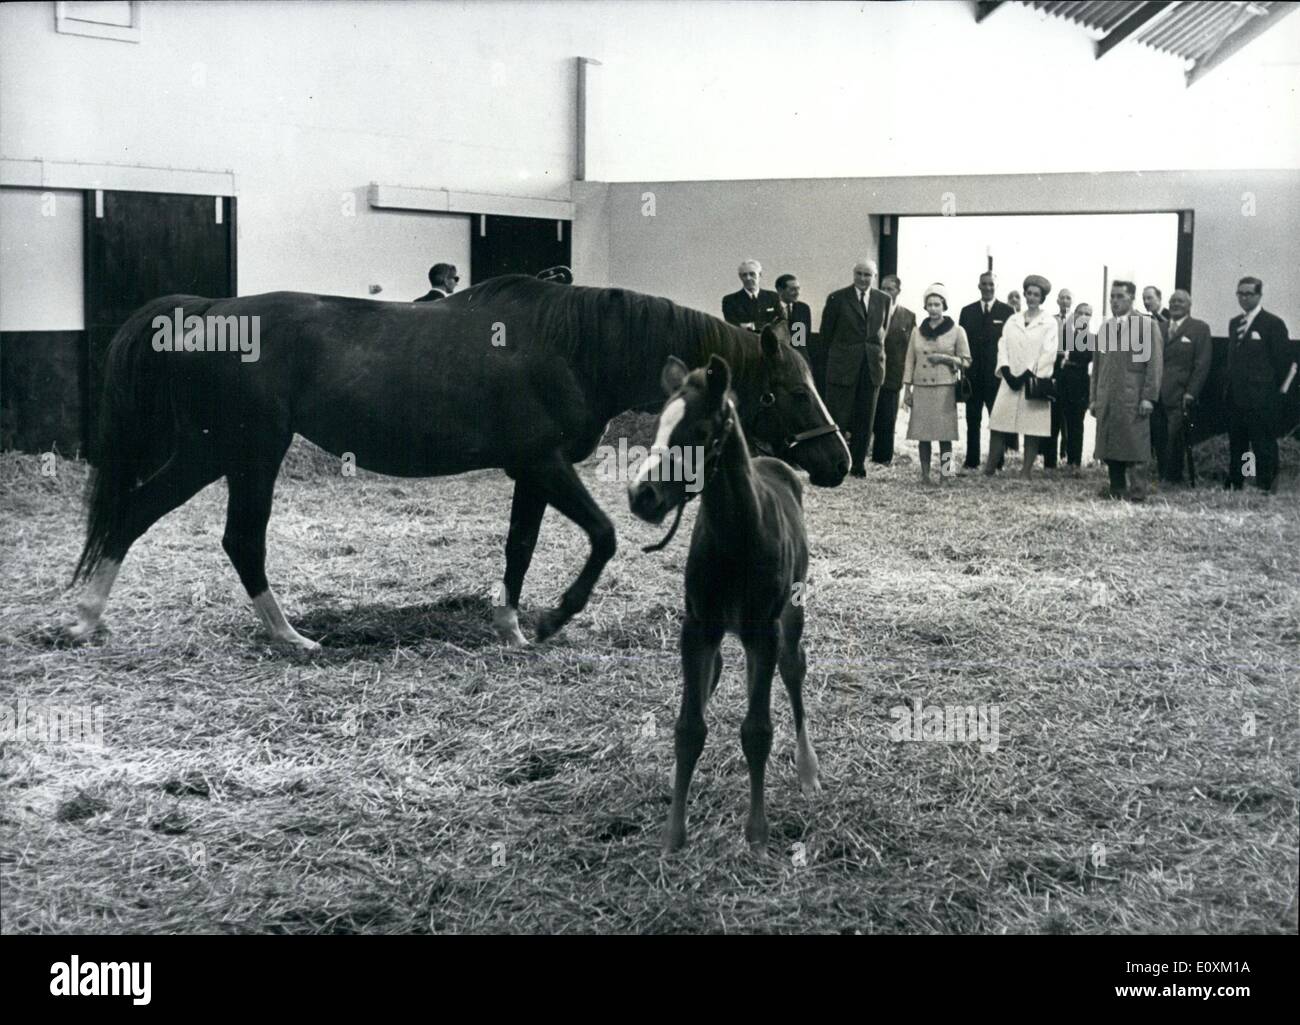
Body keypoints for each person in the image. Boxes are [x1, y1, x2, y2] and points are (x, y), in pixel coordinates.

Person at [1091, 280, 1163, 501]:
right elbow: (1097, 366)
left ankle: (1138, 492)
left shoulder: (1146, 325)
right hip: (1108, 397)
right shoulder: (1106, 327)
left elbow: (1154, 363)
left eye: (1120, 296)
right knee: (1111, 444)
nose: (1114, 301)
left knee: (1136, 446)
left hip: (1133, 396)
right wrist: (1094, 398)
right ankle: (1117, 489)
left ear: (1132, 298)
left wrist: (1149, 397)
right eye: (1112, 296)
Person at [820, 259, 892, 476]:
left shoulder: (884, 299)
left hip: (870, 368)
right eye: (859, 274)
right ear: (853, 274)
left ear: (875, 276)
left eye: (867, 275)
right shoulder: (837, 298)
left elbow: (882, 332)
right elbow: (826, 335)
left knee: (865, 420)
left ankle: (858, 465)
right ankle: (835, 464)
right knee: (838, 418)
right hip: (843, 368)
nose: (863, 279)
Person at [984, 275, 1058, 480]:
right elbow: (1003, 345)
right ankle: (990, 467)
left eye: (1037, 294)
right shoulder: (1013, 319)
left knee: (1031, 427)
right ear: (1024, 294)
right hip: (1010, 381)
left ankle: (1026, 470)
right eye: (1029, 293)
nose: (1032, 297)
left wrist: (1027, 374)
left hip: (1033, 381)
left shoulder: (1049, 322)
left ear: (1042, 298)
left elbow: (1048, 352)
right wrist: (1007, 372)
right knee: (998, 423)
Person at [1225, 276, 1294, 492]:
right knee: (1240, 442)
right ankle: (1242, 480)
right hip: (1237, 395)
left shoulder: (1273, 324)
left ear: (1259, 295)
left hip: (1262, 397)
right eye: (1240, 293)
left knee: (1263, 442)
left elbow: (1282, 362)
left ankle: (1266, 484)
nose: (1244, 298)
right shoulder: (1235, 323)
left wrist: (1273, 392)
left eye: (1249, 294)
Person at [903, 284, 970, 485]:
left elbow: (966, 360)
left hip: (944, 387)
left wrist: (945, 358)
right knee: (923, 435)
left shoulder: (957, 331)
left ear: (944, 306)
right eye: (929, 305)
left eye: (937, 304)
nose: (933, 308)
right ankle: (924, 474)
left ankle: (946, 473)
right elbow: (909, 360)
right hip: (922, 387)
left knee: (945, 434)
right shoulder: (917, 331)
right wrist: (907, 389)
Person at [1152, 289, 1211, 487]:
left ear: (1189, 305)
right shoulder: (1158, 327)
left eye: (1180, 301)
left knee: (1174, 437)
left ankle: (1172, 477)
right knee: (1158, 436)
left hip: (1179, 393)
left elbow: (1202, 364)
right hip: (1156, 392)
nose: (1175, 304)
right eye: (1172, 301)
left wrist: (1191, 392)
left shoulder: (1199, 328)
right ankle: (1162, 475)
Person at [958, 272, 1014, 470]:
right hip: (973, 376)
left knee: (996, 420)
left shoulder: (1007, 311)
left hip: (995, 377)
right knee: (972, 419)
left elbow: (1010, 345)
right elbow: (961, 345)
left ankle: (997, 461)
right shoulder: (967, 311)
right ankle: (972, 460)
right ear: (978, 286)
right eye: (984, 284)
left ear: (996, 286)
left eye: (991, 284)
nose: (988, 287)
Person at [872, 274, 916, 465]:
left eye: (890, 288)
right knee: (868, 416)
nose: (886, 292)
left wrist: (908, 379)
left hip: (893, 375)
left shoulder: (908, 316)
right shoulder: (871, 311)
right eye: (883, 288)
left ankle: (883, 458)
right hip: (872, 372)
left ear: (898, 291)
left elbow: (910, 348)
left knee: (888, 418)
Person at [1057, 302, 1094, 477]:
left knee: (1076, 425)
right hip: (1062, 383)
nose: (1083, 316)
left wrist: (1069, 355)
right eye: (1080, 313)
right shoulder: (1064, 335)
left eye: (1087, 313)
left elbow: (1087, 358)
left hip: (1080, 385)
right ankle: (1053, 460)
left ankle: (1075, 461)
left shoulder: (1093, 339)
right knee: (1057, 423)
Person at [722, 259, 780, 332]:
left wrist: (753, 325)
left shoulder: (773, 297)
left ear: (760, 275)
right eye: (744, 275)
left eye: (752, 274)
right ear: (740, 277)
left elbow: (780, 322)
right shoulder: (730, 300)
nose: (748, 278)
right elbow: (731, 326)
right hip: (743, 341)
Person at [775, 273, 813, 348]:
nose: (797, 293)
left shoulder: (803, 308)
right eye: (792, 289)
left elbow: (806, 336)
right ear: (780, 290)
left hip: (798, 353)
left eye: (798, 289)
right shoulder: (771, 308)